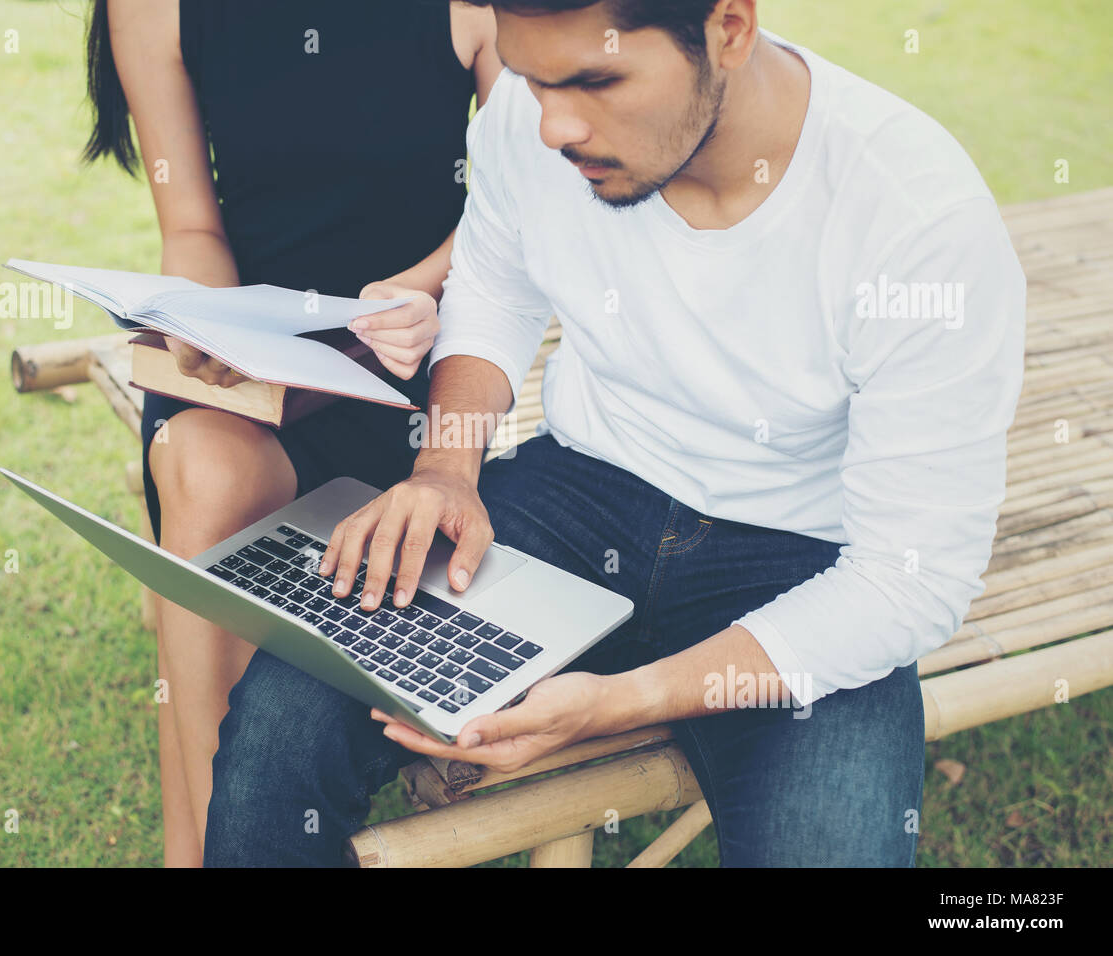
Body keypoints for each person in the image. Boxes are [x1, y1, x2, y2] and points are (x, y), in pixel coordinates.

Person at [203, 0, 1026, 866]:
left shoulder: (916, 218)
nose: (553, 124)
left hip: (810, 563)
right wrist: (447, 468)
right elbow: (496, 287)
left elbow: (912, 580)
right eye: (529, 76)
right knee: (282, 722)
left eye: (597, 80)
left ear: (730, 29)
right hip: (580, 492)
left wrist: (622, 699)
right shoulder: (534, 121)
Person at [83, 0, 499, 866]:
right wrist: (207, 326)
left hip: (406, 351)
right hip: (246, 366)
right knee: (204, 466)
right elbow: (193, 228)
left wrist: (406, 294)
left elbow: (520, 212)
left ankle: (202, 850)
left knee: (207, 487)